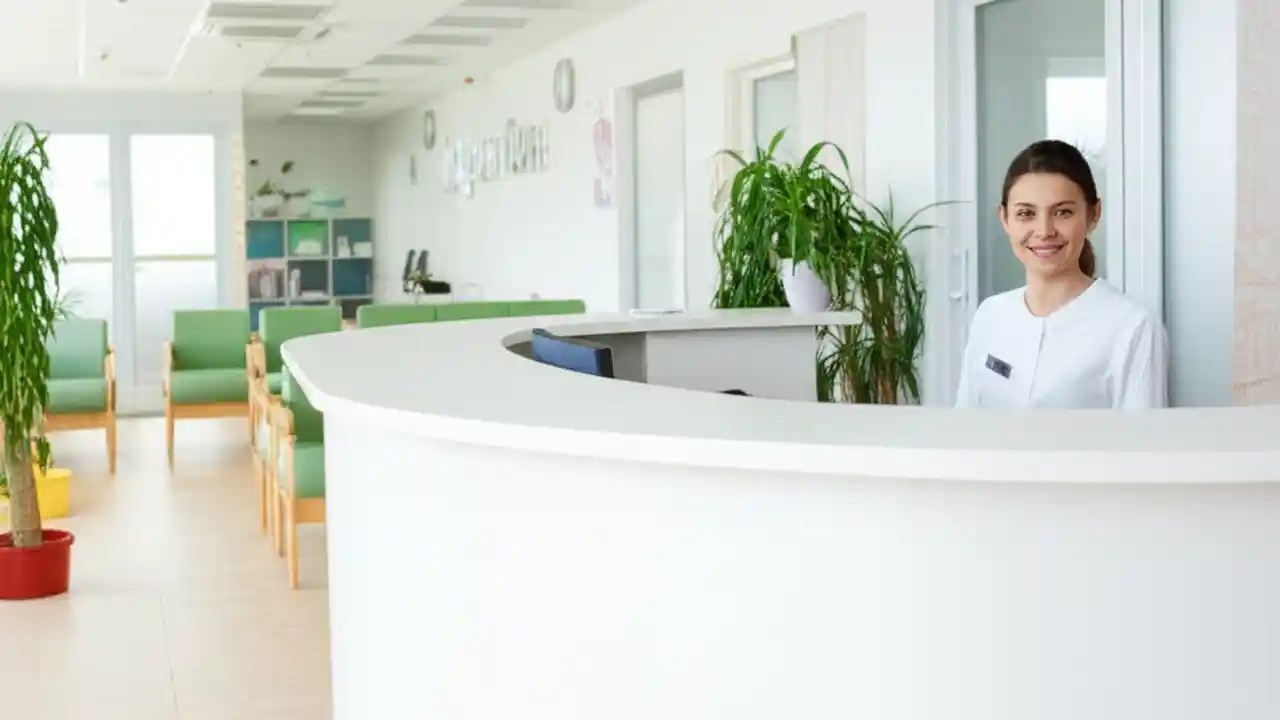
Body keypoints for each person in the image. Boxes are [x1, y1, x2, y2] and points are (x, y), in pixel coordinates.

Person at [955, 139, 1168, 409]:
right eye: (1026, 213)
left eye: (1063, 212)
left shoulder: (1133, 327)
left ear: (1093, 215)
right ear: (1005, 219)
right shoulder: (990, 315)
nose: (1044, 231)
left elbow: (1143, 434)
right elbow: (965, 423)